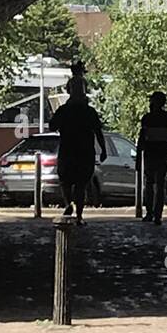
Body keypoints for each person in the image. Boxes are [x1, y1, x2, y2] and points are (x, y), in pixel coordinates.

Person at [48, 77, 106, 225]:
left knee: (66, 181)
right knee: (81, 184)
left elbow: (52, 126)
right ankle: (79, 215)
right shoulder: (89, 111)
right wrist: (103, 149)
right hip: (85, 151)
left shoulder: (64, 110)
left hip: (68, 150)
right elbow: (98, 131)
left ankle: (68, 204)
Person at [136, 90, 167, 225]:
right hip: (163, 153)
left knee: (150, 183)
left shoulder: (147, 118)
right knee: (160, 184)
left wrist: (139, 156)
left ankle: (149, 212)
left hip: (150, 153)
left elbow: (141, 138)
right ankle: (157, 214)